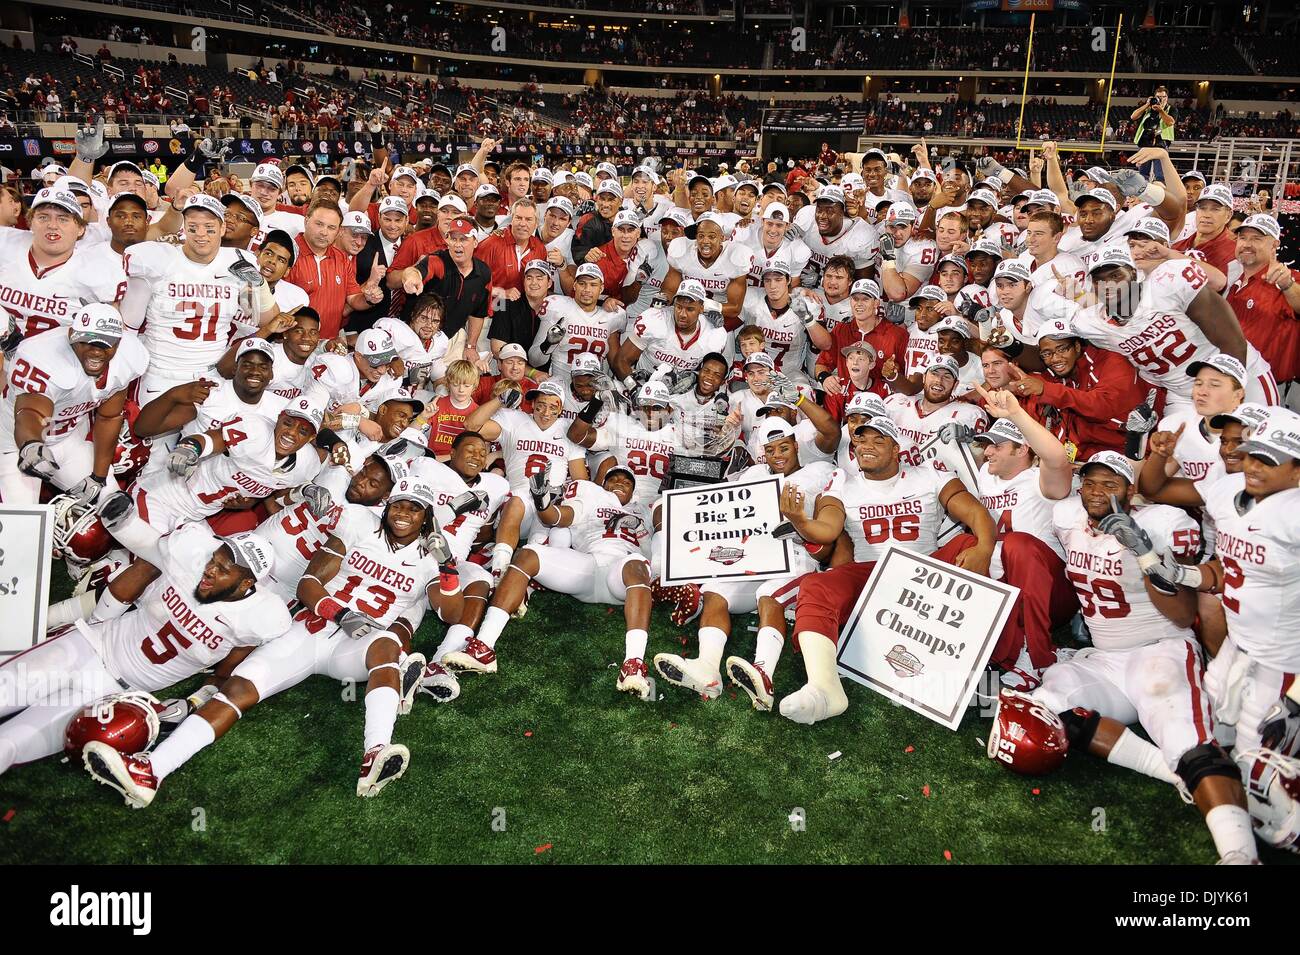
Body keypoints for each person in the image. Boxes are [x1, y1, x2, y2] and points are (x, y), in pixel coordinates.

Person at [2, 524, 288, 777]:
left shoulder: (257, 619)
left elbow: (224, 675)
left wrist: (195, 702)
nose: (211, 571)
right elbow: (142, 570)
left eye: (224, 570)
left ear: (247, 583)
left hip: (111, 693)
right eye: (215, 560)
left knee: (10, 744)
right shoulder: (189, 559)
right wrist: (99, 619)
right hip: (88, 646)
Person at [1130, 86, 1175, 180]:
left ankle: (1160, 192)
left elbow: (1170, 122)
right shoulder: (1148, 109)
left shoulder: (1171, 109)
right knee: (1143, 173)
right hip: (1146, 143)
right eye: (1158, 97)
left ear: (1167, 98)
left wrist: (1161, 110)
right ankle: (1142, 191)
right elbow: (1133, 117)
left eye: (1163, 97)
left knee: (1160, 174)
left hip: (1160, 144)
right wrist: (1147, 104)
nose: (1160, 99)